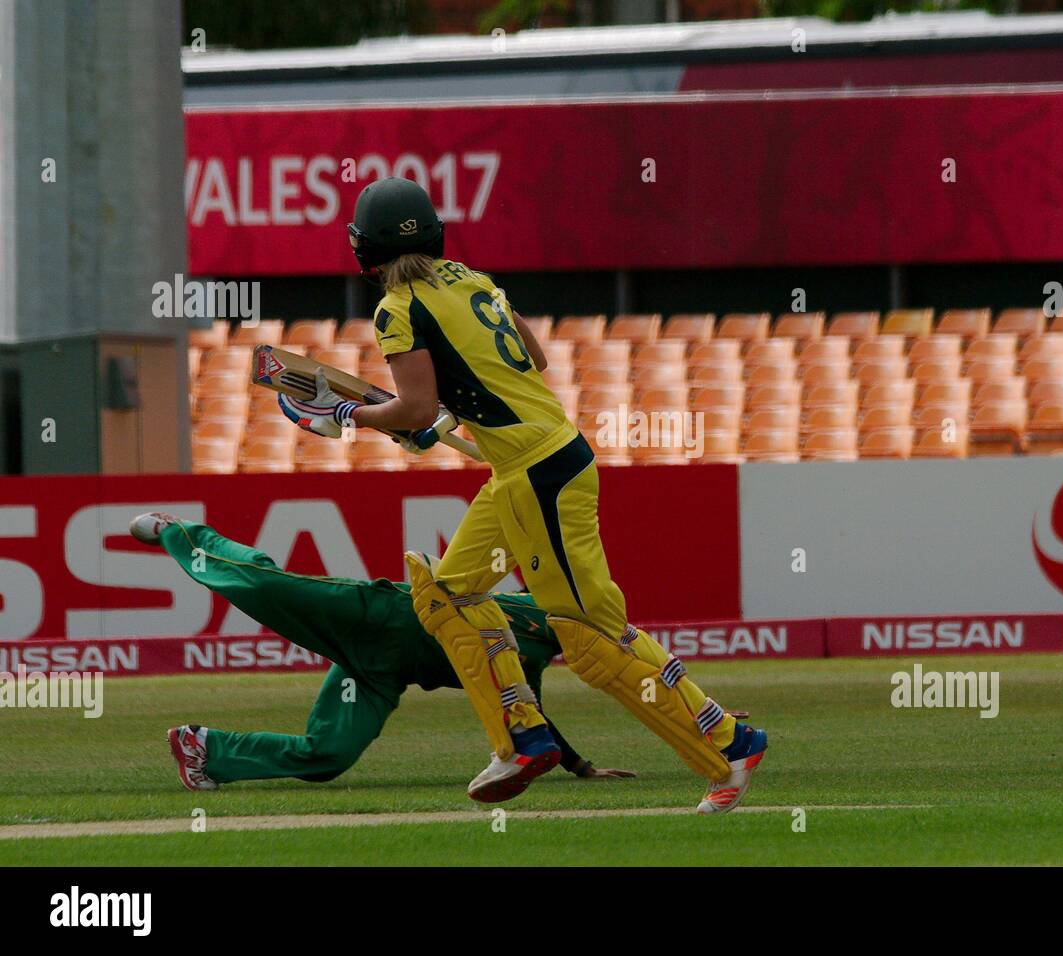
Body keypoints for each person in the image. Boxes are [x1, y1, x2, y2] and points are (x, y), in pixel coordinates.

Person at [277, 176, 767, 812]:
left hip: (541, 473)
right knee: (446, 597)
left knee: (590, 637)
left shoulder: (396, 309)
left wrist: (348, 416)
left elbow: (416, 405)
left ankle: (728, 743)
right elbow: (530, 360)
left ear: (362, 247)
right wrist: (446, 414)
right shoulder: (471, 280)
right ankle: (522, 736)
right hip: (526, 466)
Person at [129, 513, 634, 795]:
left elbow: (531, 718)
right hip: (377, 615)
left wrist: (580, 766)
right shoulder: (535, 608)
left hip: (380, 673)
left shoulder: (532, 661)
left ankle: (203, 748)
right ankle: (180, 532)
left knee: (328, 756)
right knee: (264, 585)